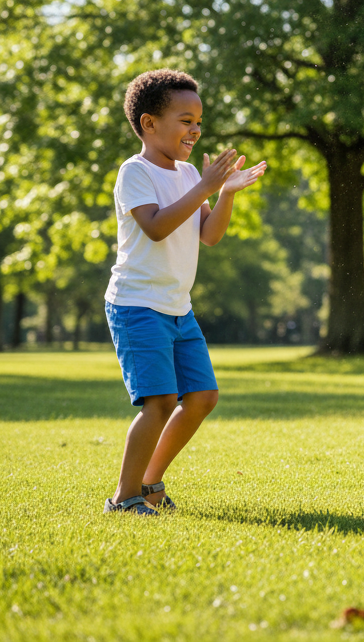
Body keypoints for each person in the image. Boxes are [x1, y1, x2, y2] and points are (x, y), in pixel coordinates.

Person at [103, 69, 266, 514]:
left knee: (201, 397)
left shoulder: (191, 173)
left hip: (178, 307)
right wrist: (205, 186)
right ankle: (123, 497)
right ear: (149, 123)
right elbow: (155, 227)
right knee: (158, 402)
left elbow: (209, 235)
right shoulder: (134, 173)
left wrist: (225, 193)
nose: (195, 129)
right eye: (184, 119)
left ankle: (150, 481)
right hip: (137, 305)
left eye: (198, 121)